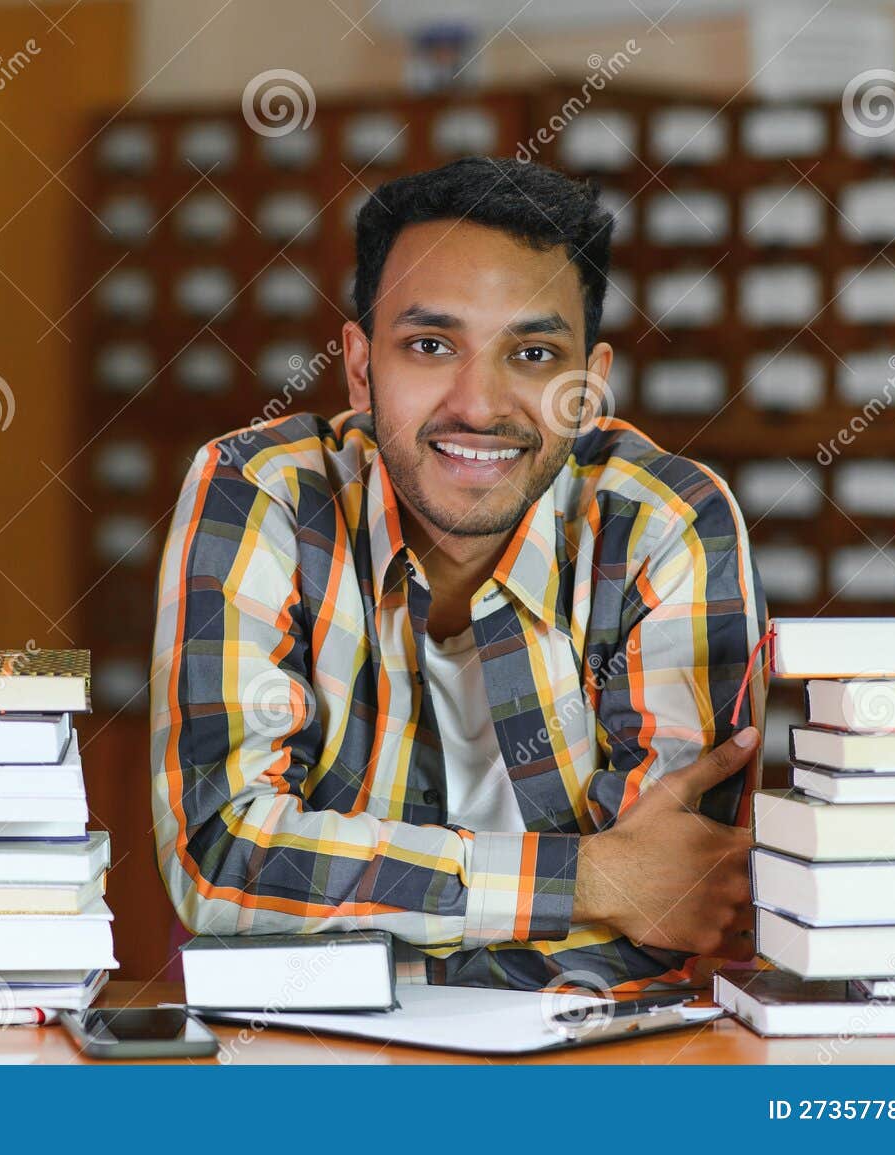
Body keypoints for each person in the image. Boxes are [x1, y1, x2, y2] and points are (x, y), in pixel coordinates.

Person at [150, 156, 767, 990]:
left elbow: (682, 898)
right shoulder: (259, 493)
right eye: (432, 344)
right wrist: (589, 880)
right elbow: (222, 857)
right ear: (362, 368)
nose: (479, 404)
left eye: (535, 352)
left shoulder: (663, 525)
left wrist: (370, 949)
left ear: (589, 387)